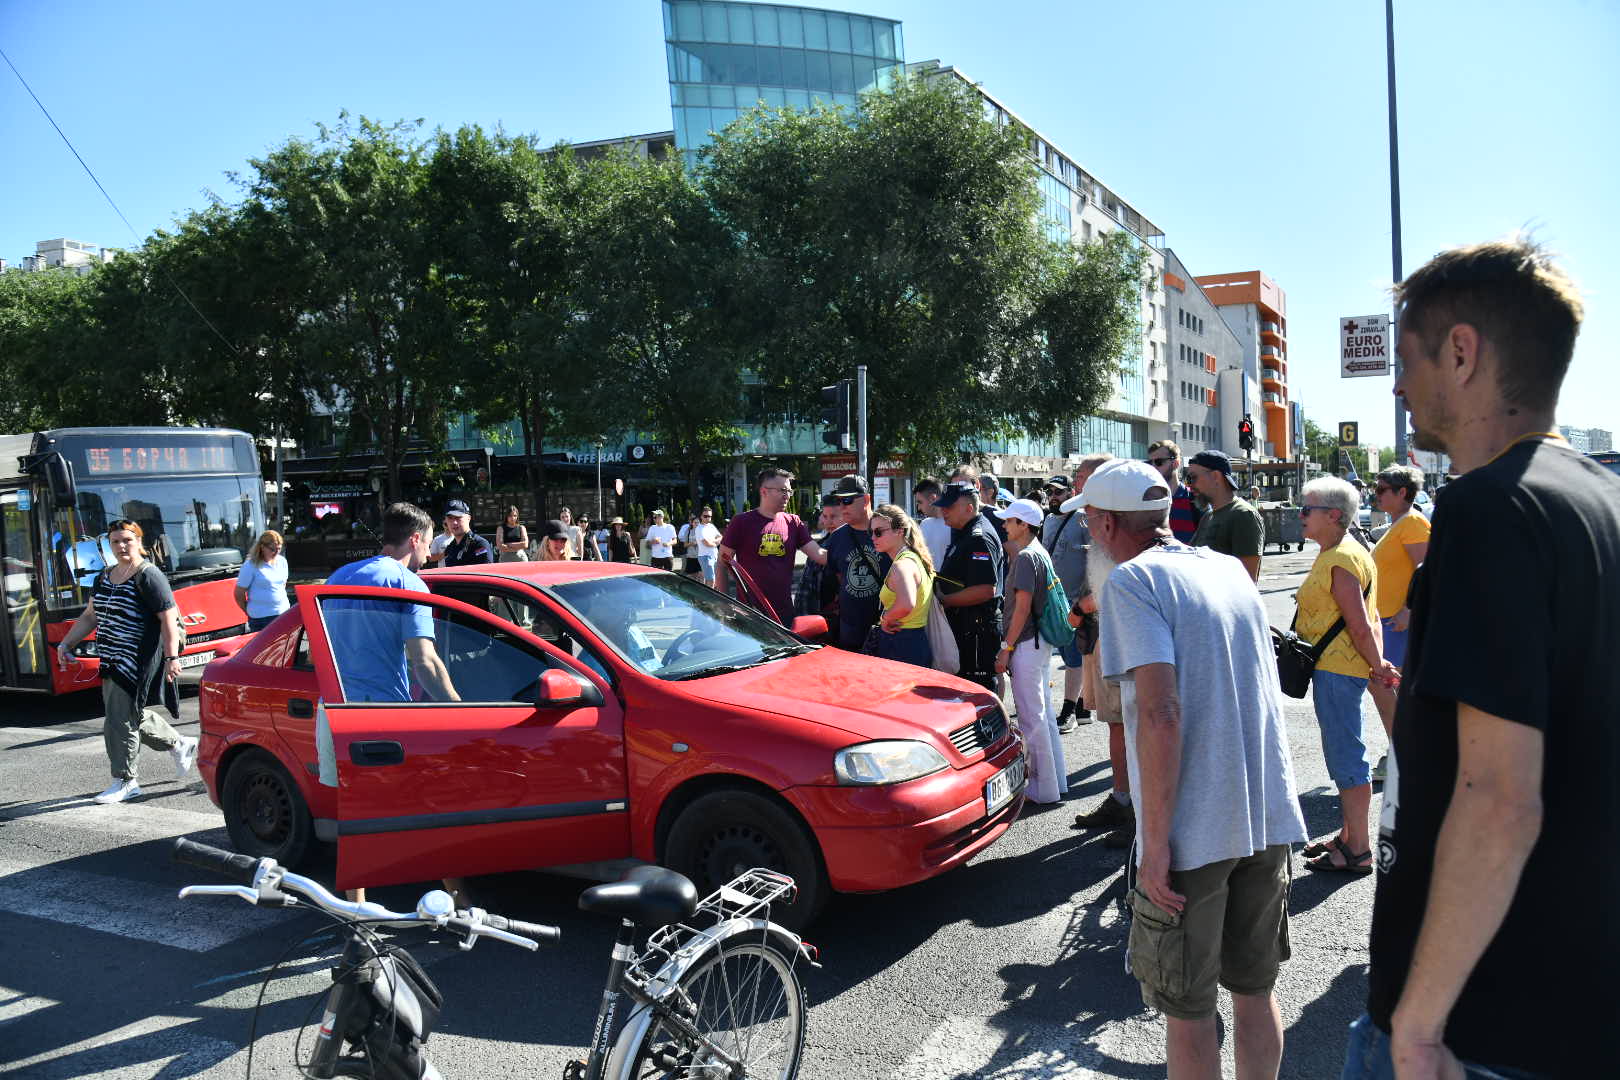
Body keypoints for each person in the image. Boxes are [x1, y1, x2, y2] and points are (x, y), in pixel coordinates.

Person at [1346, 238, 1619, 1080]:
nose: (1396, 386)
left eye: (1408, 359)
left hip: (1482, 1024)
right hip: (1576, 1000)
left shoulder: (1488, 511)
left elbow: (1499, 795)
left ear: (1461, 354)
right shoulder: (1599, 500)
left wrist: (1420, 1026)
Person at [1085, 459, 1308, 1079]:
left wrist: (1154, 846)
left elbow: (1158, 714)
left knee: (1188, 1009)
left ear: (1105, 524)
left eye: (1089, 525)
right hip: (1263, 815)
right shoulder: (1227, 569)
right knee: (1255, 990)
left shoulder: (1131, 584)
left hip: (1197, 831)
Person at [325, 502, 464, 906]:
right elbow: (424, 660)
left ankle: (357, 908)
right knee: (426, 810)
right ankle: (461, 902)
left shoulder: (339, 577)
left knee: (355, 814)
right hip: (383, 713)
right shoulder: (408, 583)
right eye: (427, 544)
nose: (428, 555)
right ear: (416, 538)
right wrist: (459, 710)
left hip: (333, 710)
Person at [1295, 475, 1398, 876]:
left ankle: (1358, 849)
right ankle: (1348, 834)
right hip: (1342, 668)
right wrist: (1377, 664)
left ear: (1333, 515)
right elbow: (1369, 620)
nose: (1299, 515)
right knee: (1346, 755)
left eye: (1307, 509)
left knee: (1346, 759)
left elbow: (1359, 624)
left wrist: (1378, 666)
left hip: (1338, 671)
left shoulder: (1340, 559)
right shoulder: (1347, 550)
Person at [56, 519, 197, 805]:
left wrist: (172, 658)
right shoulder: (105, 576)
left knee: (118, 719)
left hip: (137, 659)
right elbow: (89, 616)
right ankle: (178, 743)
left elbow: (168, 619)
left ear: (138, 542)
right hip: (111, 655)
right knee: (127, 711)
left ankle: (125, 780)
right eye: (116, 541)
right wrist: (66, 643)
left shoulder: (149, 575)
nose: (121, 546)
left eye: (127, 540)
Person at [1063, 481, 1133, 848]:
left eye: (1088, 514)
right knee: (1117, 725)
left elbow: (1105, 593)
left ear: (1109, 519)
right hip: (1104, 640)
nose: (1084, 523)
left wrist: (1079, 609)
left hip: (1117, 643)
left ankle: (1136, 811)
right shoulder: (1107, 546)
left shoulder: (1125, 553)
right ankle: (1123, 801)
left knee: (1129, 726)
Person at [993, 498, 1067, 806]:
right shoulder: (1038, 552)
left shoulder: (1025, 556)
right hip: (1037, 643)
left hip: (1026, 643)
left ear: (1024, 525)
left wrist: (1005, 648)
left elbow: (1021, 608)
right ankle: (1055, 783)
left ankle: (1042, 789)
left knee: (1031, 717)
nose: (1004, 525)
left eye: (1010, 521)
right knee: (1043, 715)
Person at [1366, 465, 1430, 780]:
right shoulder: (1399, 524)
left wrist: (1410, 609)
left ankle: (1403, 752)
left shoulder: (1414, 523)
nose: (1375, 495)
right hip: (1388, 620)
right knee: (1387, 686)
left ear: (1402, 492)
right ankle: (1404, 750)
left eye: (1381, 490)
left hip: (1399, 620)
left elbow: (1427, 571)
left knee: (1384, 684)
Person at [1044, 454, 1111, 731]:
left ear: (1070, 492)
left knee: (1074, 658)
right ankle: (1083, 706)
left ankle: (1069, 710)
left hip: (1078, 601)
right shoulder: (1048, 520)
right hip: (1053, 601)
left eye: (1058, 491)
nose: (1053, 496)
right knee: (1068, 655)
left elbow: (1098, 556)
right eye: (1049, 492)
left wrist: (1087, 601)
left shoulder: (1084, 518)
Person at [718, 467, 826, 624]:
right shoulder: (741, 522)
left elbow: (820, 555)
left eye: (789, 491)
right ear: (764, 491)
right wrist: (724, 604)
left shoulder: (794, 522)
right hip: (750, 614)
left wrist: (848, 538)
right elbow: (722, 563)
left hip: (784, 615)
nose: (787, 496)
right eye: (782, 490)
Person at [931, 480, 1003, 692]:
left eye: (949, 507)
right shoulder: (963, 532)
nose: (943, 511)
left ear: (969, 508)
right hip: (966, 626)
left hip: (976, 629)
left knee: (977, 692)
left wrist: (945, 601)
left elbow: (985, 590)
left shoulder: (977, 537)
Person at [821, 475, 891, 650]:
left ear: (866, 499)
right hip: (850, 635)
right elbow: (837, 579)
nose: (842, 507)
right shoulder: (836, 538)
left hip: (888, 630)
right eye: (839, 501)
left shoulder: (890, 531)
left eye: (848, 500)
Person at [866, 504, 934, 668]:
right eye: (871, 532)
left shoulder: (902, 565)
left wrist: (885, 618)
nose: (873, 538)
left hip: (900, 642)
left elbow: (905, 604)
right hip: (913, 641)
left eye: (879, 532)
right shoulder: (914, 558)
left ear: (900, 531)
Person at [1187, 450, 1263, 581]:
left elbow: (1247, 581)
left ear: (1216, 476)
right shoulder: (1208, 516)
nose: (1189, 485)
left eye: (1193, 478)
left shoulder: (1244, 515)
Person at [1146, 439, 1203, 544]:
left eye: (1159, 462)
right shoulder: (1146, 500)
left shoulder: (1194, 499)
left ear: (1176, 463)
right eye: (1150, 463)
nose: (1153, 467)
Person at [794, 493, 841, 618]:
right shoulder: (819, 548)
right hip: (822, 623)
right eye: (825, 516)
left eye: (834, 516)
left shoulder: (859, 546)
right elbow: (803, 593)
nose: (829, 521)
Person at [234, 530, 290, 632]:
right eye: (272, 549)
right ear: (262, 547)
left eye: (279, 549)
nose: (276, 552)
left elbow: (282, 585)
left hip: (283, 613)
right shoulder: (250, 565)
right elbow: (238, 594)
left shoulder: (282, 561)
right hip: (261, 619)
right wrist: (248, 610)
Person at [440, 500, 495, 567]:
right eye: (450, 518)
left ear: (468, 518)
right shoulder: (450, 547)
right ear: (445, 520)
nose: (454, 522)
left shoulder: (480, 545)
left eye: (458, 517)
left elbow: (485, 574)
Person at [913, 479, 952, 568]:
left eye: (920, 502)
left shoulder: (955, 525)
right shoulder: (924, 524)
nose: (918, 508)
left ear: (933, 499)